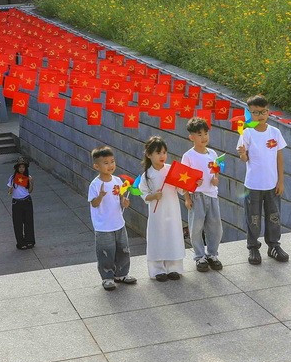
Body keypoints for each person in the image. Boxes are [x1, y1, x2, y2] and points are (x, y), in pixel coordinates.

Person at [236, 95, 288, 264]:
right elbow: (245, 159)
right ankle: (253, 247)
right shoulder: (247, 133)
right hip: (253, 185)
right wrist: (242, 154)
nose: (260, 115)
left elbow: (279, 157)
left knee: (274, 216)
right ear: (250, 113)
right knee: (253, 218)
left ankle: (273, 245)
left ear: (268, 111)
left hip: (272, 184)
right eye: (256, 112)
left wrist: (281, 181)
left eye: (263, 111)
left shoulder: (275, 132)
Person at [88, 146, 137, 291]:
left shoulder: (118, 180)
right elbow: (94, 204)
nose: (110, 165)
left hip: (119, 223)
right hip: (103, 226)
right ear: (96, 166)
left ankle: (122, 274)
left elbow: (121, 198)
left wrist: (124, 202)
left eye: (112, 161)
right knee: (106, 252)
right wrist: (100, 196)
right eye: (106, 163)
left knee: (123, 249)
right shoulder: (95, 184)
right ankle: (107, 277)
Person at [181, 117, 223, 272]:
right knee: (196, 228)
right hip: (196, 196)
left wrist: (215, 179)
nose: (204, 137)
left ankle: (212, 254)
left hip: (212, 195)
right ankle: (200, 256)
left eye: (206, 133)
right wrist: (187, 198)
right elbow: (183, 179)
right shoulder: (188, 156)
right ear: (191, 137)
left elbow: (215, 172)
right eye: (199, 134)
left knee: (215, 227)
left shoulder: (213, 153)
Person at [141, 136, 186, 281]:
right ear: (149, 155)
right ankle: (157, 269)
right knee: (158, 237)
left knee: (173, 235)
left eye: (164, 152)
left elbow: (181, 188)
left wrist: (192, 183)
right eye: (158, 153)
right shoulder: (147, 175)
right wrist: (154, 196)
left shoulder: (171, 170)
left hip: (172, 211)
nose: (162, 156)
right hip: (157, 214)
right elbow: (144, 194)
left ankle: (174, 268)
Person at [7, 158, 35, 249]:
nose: (22, 169)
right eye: (20, 167)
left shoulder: (28, 177)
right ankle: (21, 243)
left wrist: (31, 182)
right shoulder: (12, 178)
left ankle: (29, 240)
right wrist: (10, 189)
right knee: (18, 223)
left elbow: (30, 191)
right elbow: (9, 192)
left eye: (23, 167)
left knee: (28, 221)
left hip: (27, 201)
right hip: (16, 202)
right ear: (17, 168)